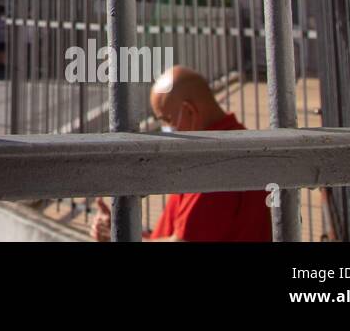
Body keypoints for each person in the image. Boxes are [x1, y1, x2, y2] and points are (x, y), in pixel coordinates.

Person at [89, 66, 272, 242]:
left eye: (167, 120)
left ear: (189, 111)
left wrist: (122, 237)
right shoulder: (230, 141)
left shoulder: (216, 161)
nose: (166, 130)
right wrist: (122, 230)